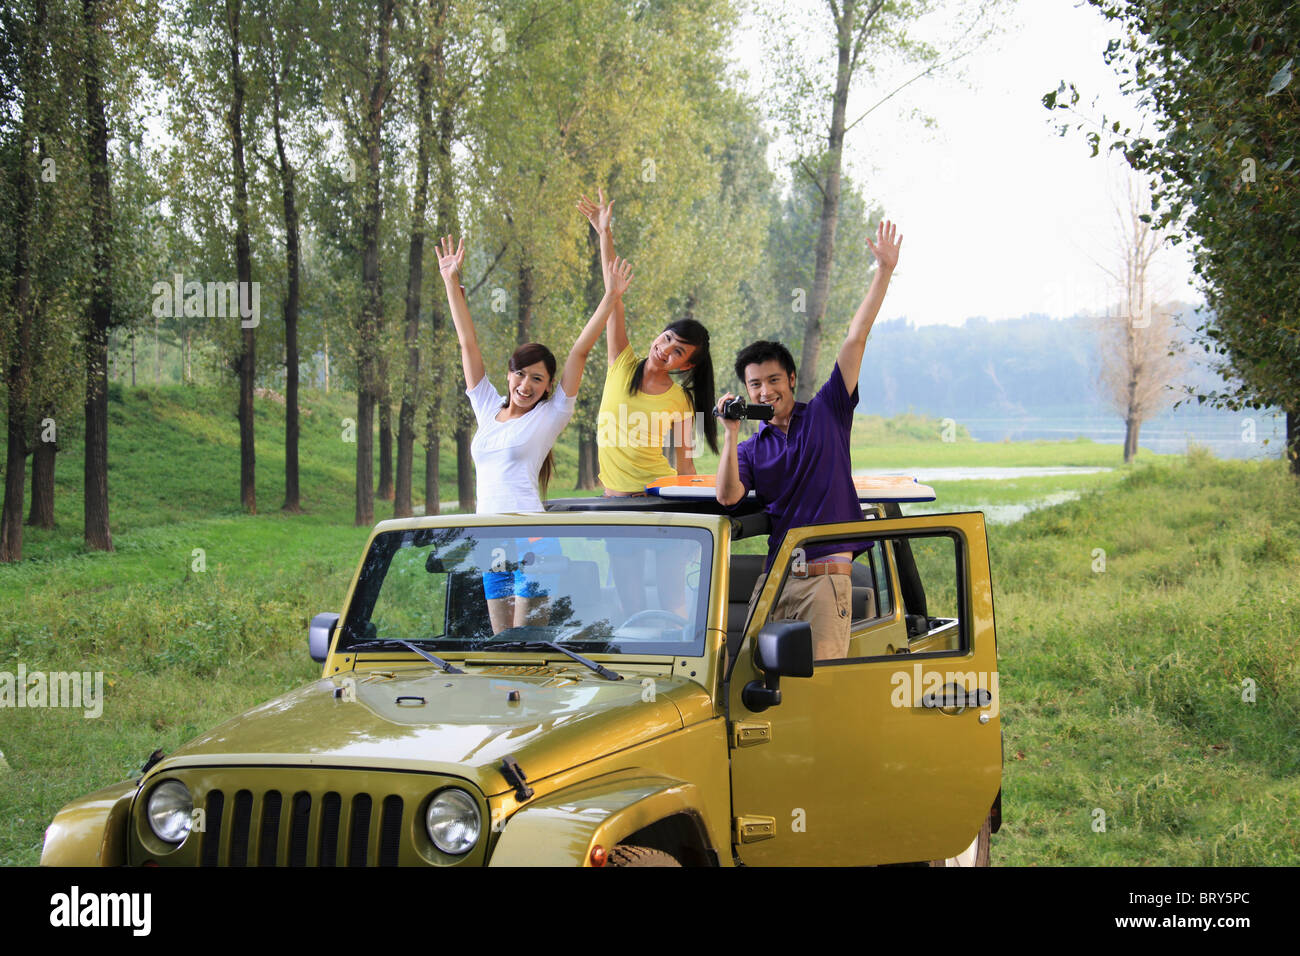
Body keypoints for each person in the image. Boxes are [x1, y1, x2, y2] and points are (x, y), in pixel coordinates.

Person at [716, 219, 903, 661]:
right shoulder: (749, 447)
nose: (765, 391)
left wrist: (884, 271)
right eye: (755, 384)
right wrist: (729, 432)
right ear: (746, 389)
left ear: (792, 379)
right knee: (748, 679)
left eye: (774, 380)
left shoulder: (827, 412)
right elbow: (727, 497)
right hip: (776, 576)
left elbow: (854, 340)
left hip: (825, 579)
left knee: (817, 687)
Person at [437, 234, 633, 632]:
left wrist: (611, 297)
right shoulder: (488, 410)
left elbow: (579, 350)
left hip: (533, 544)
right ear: (509, 374)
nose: (525, 385)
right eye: (520, 374)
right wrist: (450, 283)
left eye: (537, 379)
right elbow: (467, 344)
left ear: (548, 386)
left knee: (528, 644)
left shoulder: (551, 415)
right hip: (490, 543)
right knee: (501, 644)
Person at [577, 190, 718, 619]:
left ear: (686, 366)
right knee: (630, 600)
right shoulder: (622, 362)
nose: (666, 350)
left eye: (679, 352)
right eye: (667, 338)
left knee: (673, 601)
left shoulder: (680, 402)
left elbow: (686, 467)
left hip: (661, 501)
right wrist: (605, 233)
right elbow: (613, 295)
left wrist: (697, 518)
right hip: (615, 500)